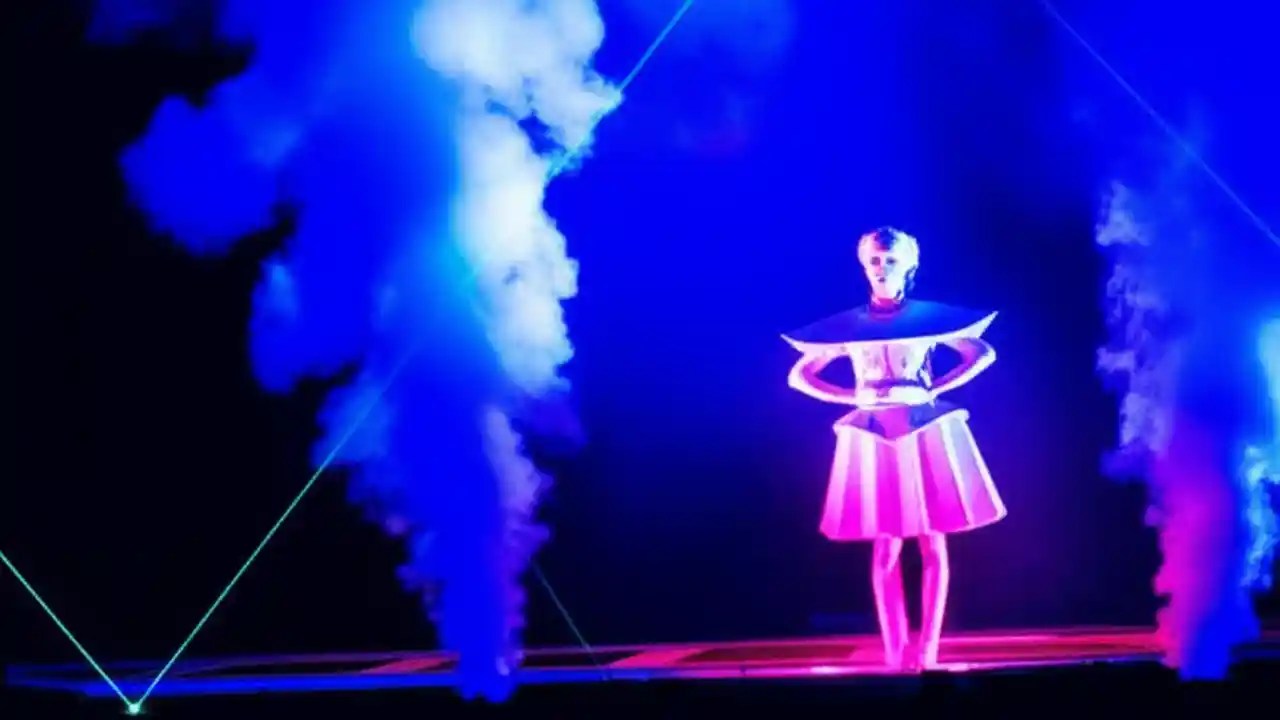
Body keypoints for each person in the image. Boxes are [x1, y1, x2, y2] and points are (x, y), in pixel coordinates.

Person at [783, 226, 1006, 670]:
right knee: (886, 546)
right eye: (874, 261)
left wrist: (933, 388)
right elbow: (800, 374)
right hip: (873, 430)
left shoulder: (925, 320)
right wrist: (853, 397)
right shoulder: (852, 325)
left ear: (908, 265)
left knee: (932, 542)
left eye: (889, 260)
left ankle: (927, 652)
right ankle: (894, 653)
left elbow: (981, 353)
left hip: (922, 426)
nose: (881, 268)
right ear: (863, 266)